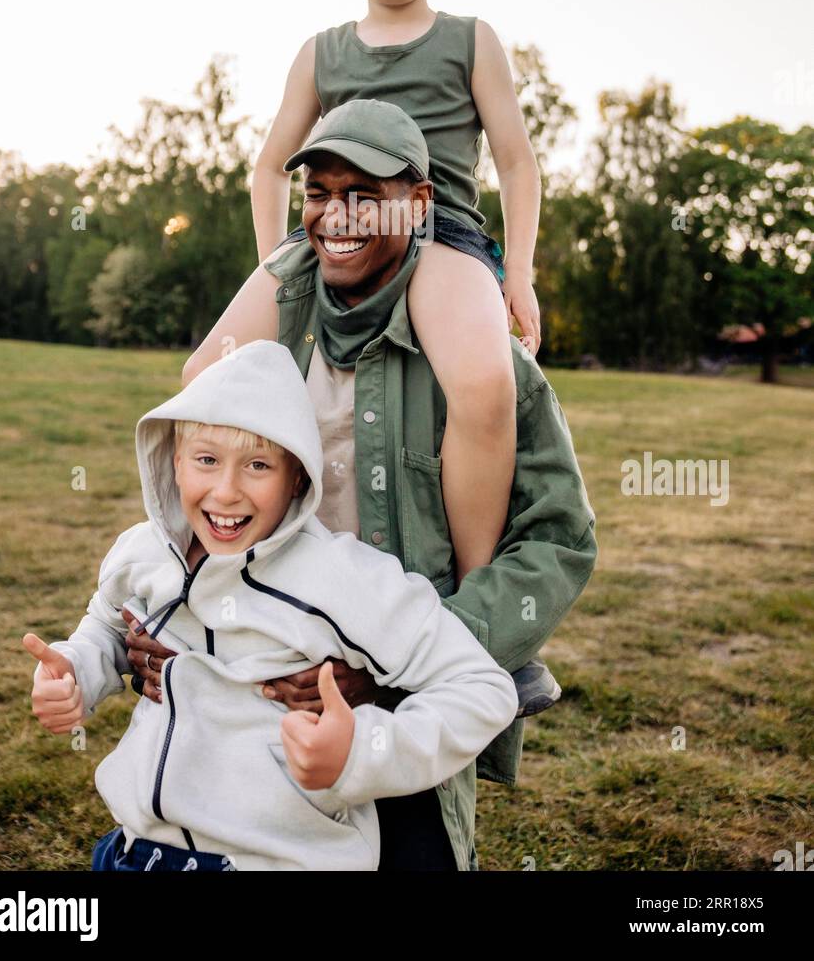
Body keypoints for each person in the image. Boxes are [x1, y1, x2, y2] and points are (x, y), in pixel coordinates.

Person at [130, 98, 596, 871]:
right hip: (253, 701)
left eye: (363, 195)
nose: (335, 216)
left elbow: (558, 538)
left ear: (417, 207)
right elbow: (198, 495)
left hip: (401, 714)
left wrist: (389, 668)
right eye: (317, 193)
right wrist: (154, 629)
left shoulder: (479, 356)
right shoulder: (260, 345)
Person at [22, 339, 520, 872]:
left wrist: (362, 751)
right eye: (206, 460)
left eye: (258, 465)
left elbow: (482, 689)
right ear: (175, 461)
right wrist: (74, 669)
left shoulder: (340, 578)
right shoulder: (141, 552)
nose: (226, 491)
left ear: (298, 477)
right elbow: (105, 623)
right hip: (136, 852)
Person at [205, 0, 543, 586]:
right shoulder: (320, 53)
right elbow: (268, 167)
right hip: (330, 231)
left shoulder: (469, 41)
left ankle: (471, 601)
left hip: (437, 232)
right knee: (209, 371)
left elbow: (517, 162)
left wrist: (515, 271)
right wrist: (273, 262)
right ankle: (209, 570)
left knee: (484, 386)